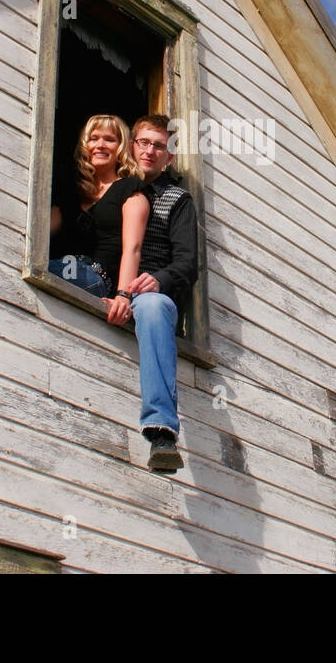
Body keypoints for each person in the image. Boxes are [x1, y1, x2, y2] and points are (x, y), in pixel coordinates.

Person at [120, 114, 199, 473]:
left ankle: (161, 431)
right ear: (132, 144)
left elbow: (188, 263)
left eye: (160, 146)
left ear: (169, 156)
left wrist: (160, 279)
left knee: (152, 307)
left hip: (149, 295)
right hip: (109, 287)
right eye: (144, 143)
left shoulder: (176, 199)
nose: (151, 151)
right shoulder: (114, 187)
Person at [47, 115, 149, 328]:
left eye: (109, 139)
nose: (100, 145)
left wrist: (123, 296)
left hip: (95, 276)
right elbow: (45, 228)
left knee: (49, 269)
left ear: (121, 147)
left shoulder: (130, 188)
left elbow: (133, 247)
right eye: (94, 138)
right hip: (65, 265)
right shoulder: (73, 192)